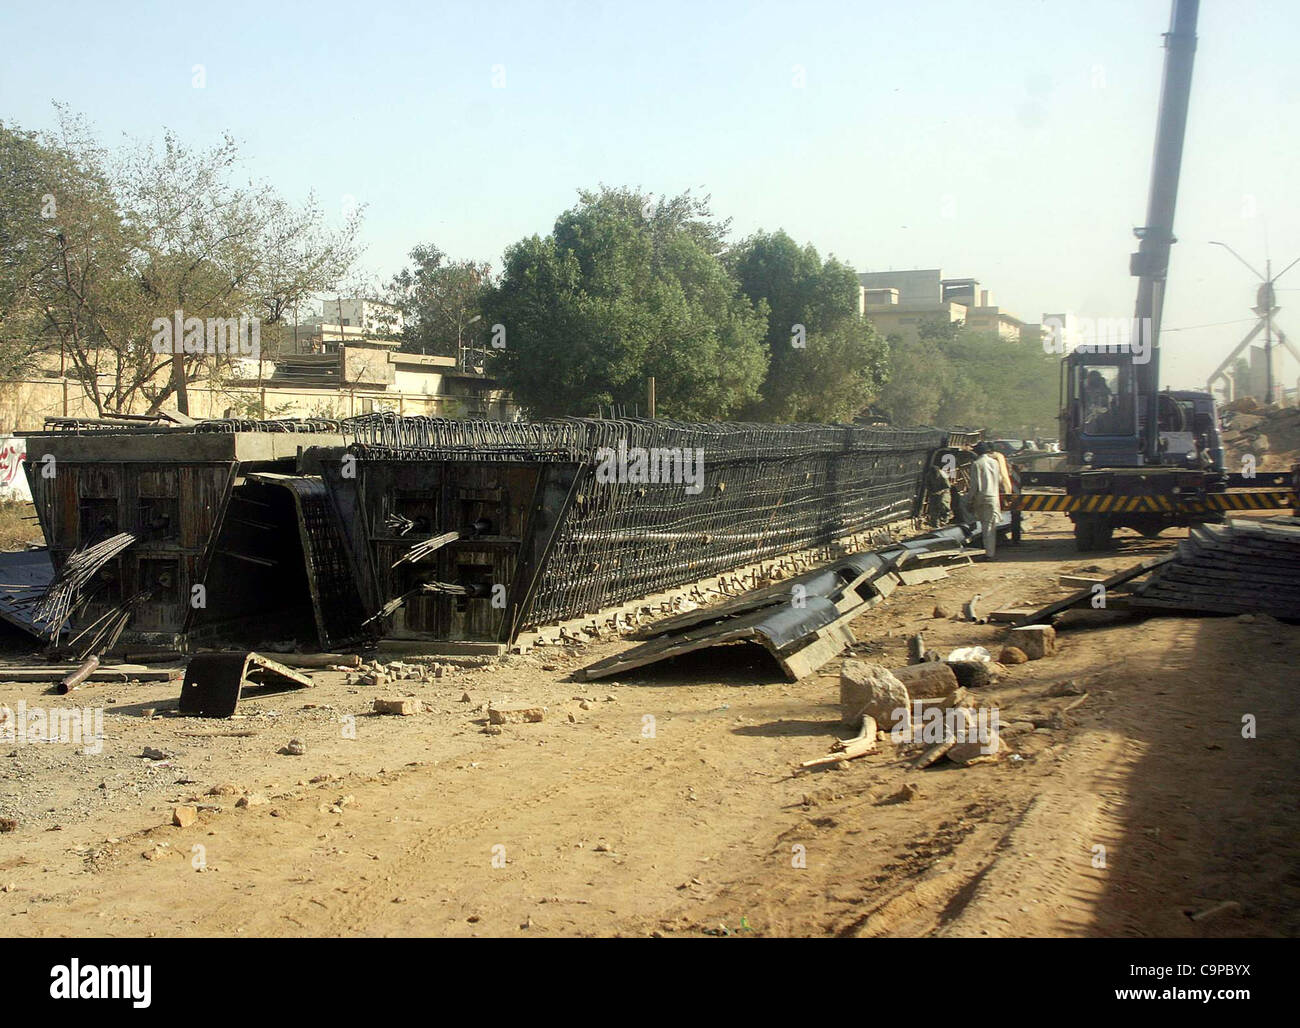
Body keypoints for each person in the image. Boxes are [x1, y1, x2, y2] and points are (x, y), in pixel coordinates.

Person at [966, 441, 1003, 559]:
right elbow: (999, 480)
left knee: (986, 527)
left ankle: (989, 554)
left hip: (983, 498)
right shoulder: (995, 463)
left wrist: (969, 500)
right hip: (994, 497)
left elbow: (974, 486)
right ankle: (990, 552)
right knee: (991, 526)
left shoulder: (977, 464)